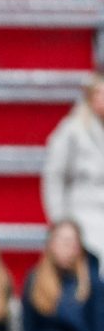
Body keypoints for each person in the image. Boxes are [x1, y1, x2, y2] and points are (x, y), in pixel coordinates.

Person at [43, 74, 104, 258]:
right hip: (82, 213)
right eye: (99, 93)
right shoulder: (72, 129)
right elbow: (54, 175)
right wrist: (59, 221)